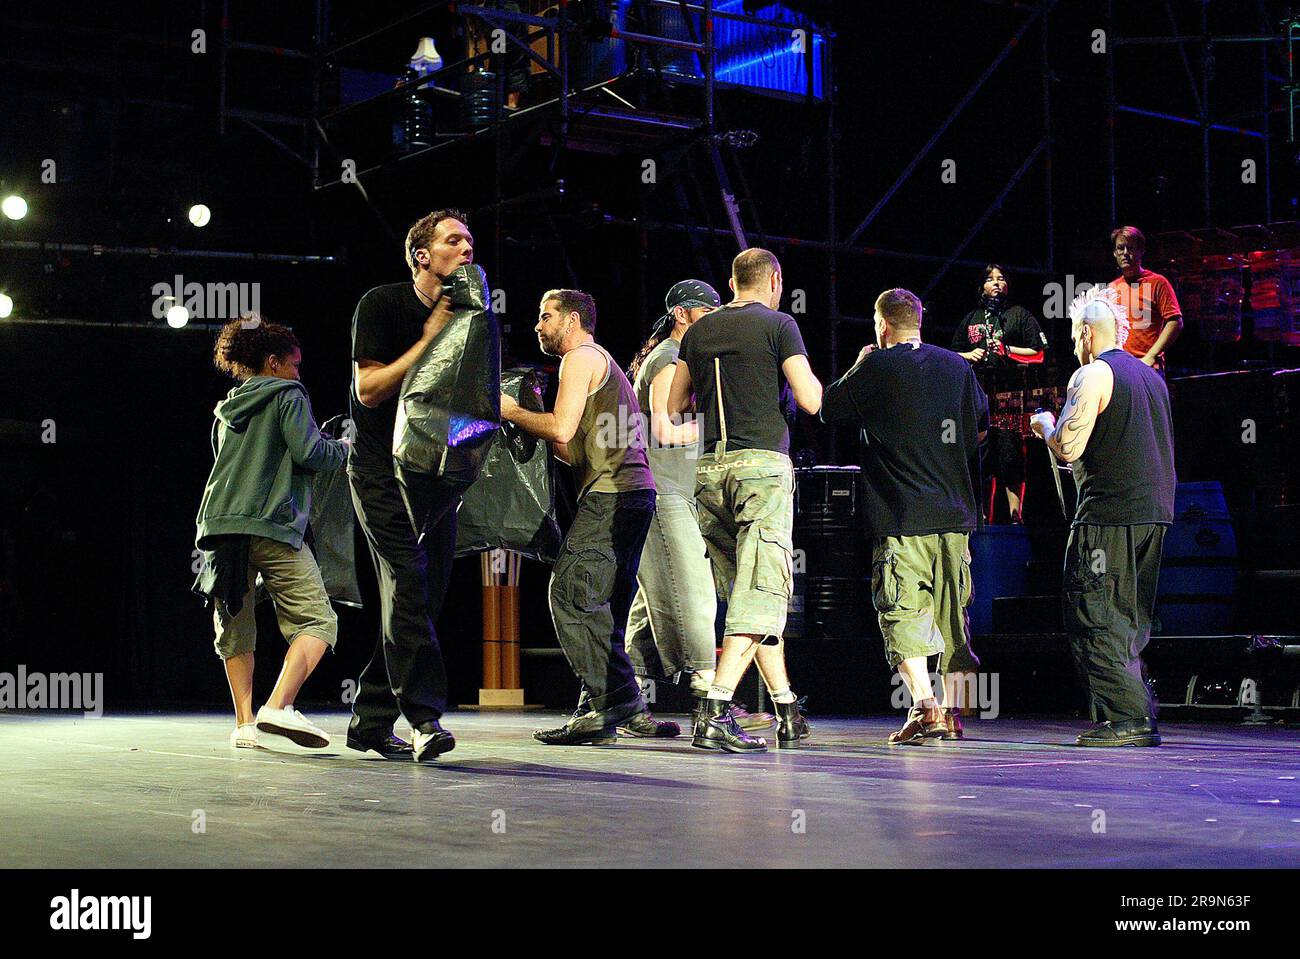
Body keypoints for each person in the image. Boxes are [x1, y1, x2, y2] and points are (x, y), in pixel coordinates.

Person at [667, 248, 820, 752]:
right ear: (774, 280)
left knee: (748, 598)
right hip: (761, 470)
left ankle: (787, 708)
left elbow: (673, 407)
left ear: (733, 282)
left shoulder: (698, 332)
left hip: (710, 471)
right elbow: (811, 399)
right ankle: (715, 709)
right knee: (762, 593)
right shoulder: (779, 325)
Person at [823, 289, 987, 744]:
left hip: (901, 516)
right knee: (953, 614)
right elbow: (979, 425)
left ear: (882, 326)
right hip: (954, 513)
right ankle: (952, 714)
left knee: (902, 611)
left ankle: (926, 707)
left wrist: (858, 365)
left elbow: (828, 411)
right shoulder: (958, 366)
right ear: (920, 320)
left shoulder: (875, 367)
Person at [500, 289, 657, 745]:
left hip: (613, 496)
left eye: (545, 316)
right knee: (604, 604)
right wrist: (536, 429)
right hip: (634, 495)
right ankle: (612, 705)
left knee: (570, 593)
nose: (537, 324)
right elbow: (570, 447)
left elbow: (561, 427)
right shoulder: (600, 363)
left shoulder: (580, 358)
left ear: (571, 321)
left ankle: (615, 701)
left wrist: (512, 411)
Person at [346, 209, 475, 763]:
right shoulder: (383, 303)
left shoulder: (471, 317)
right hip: (379, 471)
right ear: (422, 255)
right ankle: (424, 719)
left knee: (422, 597)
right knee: (408, 583)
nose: (467, 248)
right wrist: (428, 339)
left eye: (470, 240)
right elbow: (369, 390)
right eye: (454, 240)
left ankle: (370, 721)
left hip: (435, 480)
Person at [622, 280, 775, 735]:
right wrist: (723, 430)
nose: (714, 323)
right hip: (666, 490)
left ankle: (621, 699)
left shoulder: (679, 357)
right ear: (683, 315)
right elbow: (666, 430)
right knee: (694, 594)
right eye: (706, 314)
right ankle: (712, 696)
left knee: (650, 606)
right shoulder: (670, 357)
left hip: (675, 490)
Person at [194, 314, 348, 750]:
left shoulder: (226, 409)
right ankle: (278, 705)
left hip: (221, 525)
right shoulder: (289, 393)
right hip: (273, 523)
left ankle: (244, 724)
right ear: (275, 362)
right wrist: (343, 449)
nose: (299, 373)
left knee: (235, 625)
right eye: (295, 364)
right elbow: (309, 451)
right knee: (318, 619)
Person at [1030, 286, 1175, 747]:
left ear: (1089, 333)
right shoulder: (1152, 377)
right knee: (1129, 616)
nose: (1074, 346)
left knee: (1093, 610)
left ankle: (1129, 717)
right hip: (1154, 514)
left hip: (1108, 515)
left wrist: (1046, 427)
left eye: (1075, 336)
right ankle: (1133, 709)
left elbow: (1069, 449)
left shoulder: (1093, 374)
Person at [952, 264, 1047, 524]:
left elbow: (1039, 353)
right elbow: (951, 356)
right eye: (990, 279)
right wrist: (968, 355)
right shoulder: (971, 318)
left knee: (1010, 457)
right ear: (981, 286)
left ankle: (1016, 516)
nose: (996, 283)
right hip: (978, 397)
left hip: (1010, 397)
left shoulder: (1019, 315)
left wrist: (1008, 351)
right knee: (980, 458)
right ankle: (982, 517)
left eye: (1001, 278)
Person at [1107, 225, 1183, 374]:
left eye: (1131, 248)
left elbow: (1175, 321)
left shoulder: (1157, 282)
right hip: (1121, 370)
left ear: (1141, 251)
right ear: (1115, 253)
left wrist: (1151, 356)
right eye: (1121, 248)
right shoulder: (1111, 288)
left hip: (1148, 368)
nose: (1125, 253)